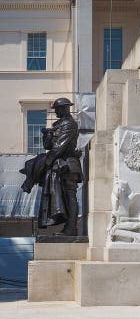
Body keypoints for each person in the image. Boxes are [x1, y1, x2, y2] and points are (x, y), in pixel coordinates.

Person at [20, 98, 83, 235]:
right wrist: (47, 135)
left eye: (57, 109)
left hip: (67, 165)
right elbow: (48, 146)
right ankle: (69, 227)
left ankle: (71, 228)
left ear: (65, 108)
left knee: (70, 195)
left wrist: (45, 164)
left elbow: (59, 148)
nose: (55, 112)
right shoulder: (58, 125)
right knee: (63, 196)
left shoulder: (69, 124)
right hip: (58, 164)